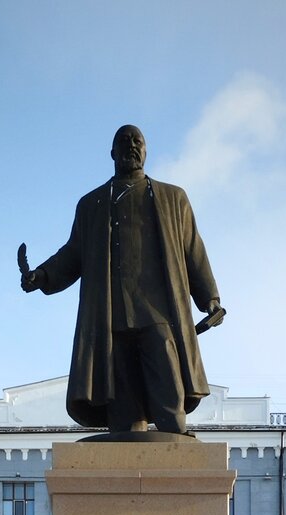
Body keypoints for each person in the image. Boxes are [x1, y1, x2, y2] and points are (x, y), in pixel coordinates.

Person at [21, 125, 222, 435]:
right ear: (112, 153)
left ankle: (174, 445)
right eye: (124, 141)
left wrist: (209, 297)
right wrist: (43, 275)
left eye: (137, 141)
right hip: (110, 314)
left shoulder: (173, 198)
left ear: (145, 150)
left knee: (168, 382)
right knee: (122, 394)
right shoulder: (92, 204)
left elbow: (192, 248)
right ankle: (129, 441)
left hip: (159, 312)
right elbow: (74, 252)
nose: (131, 145)